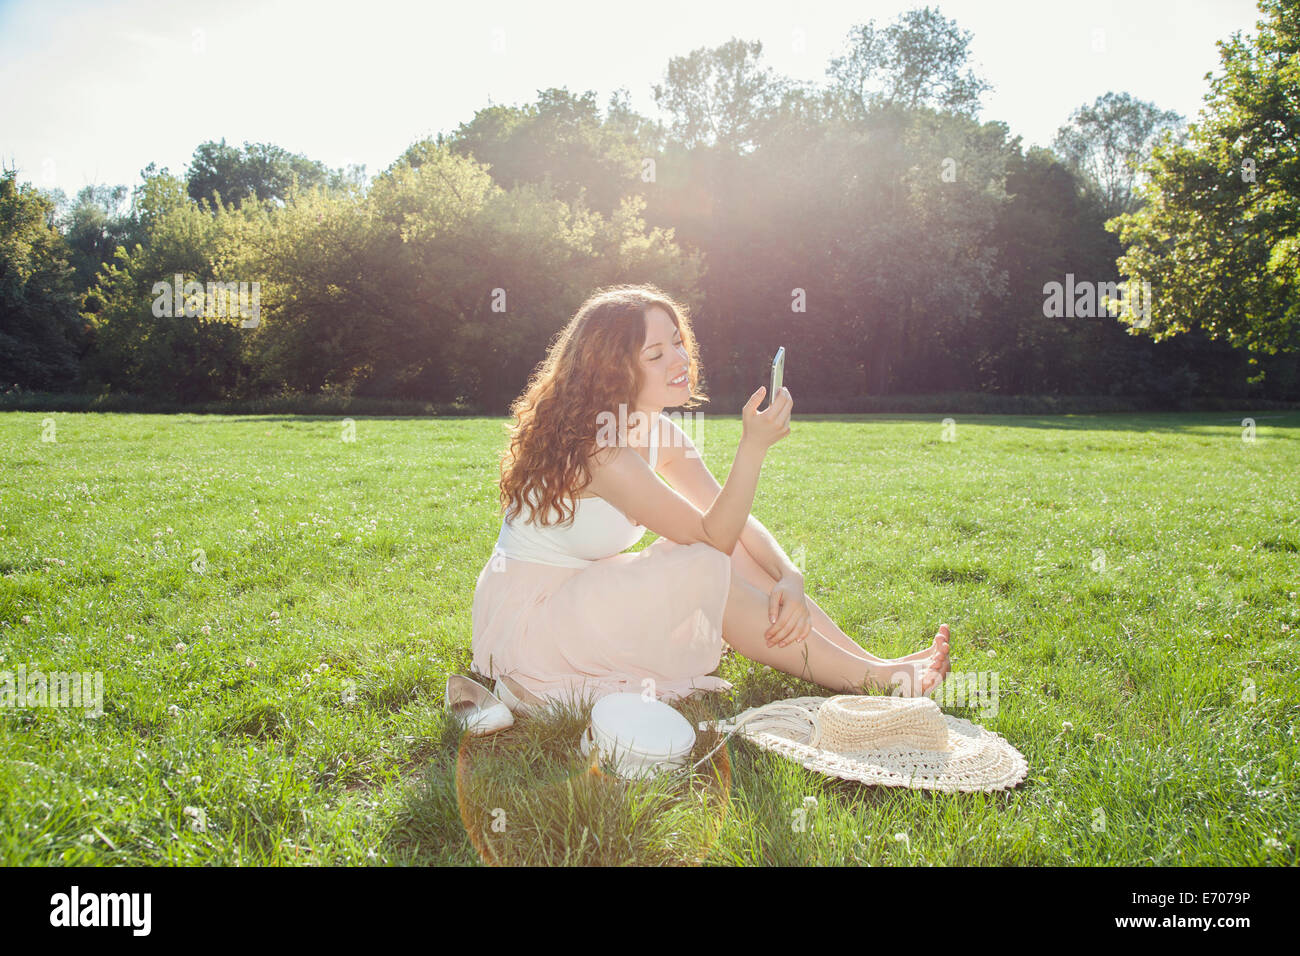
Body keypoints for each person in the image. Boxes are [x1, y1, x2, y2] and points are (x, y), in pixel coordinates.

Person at [470, 284, 950, 712]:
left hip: (582, 593)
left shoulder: (659, 432)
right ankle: (876, 680)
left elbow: (732, 521)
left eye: (677, 342)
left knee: (724, 554)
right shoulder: (601, 450)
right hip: (531, 621)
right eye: (654, 354)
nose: (679, 359)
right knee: (703, 561)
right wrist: (753, 447)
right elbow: (712, 536)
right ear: (612, 370)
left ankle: (870, 664)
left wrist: (789, 574)